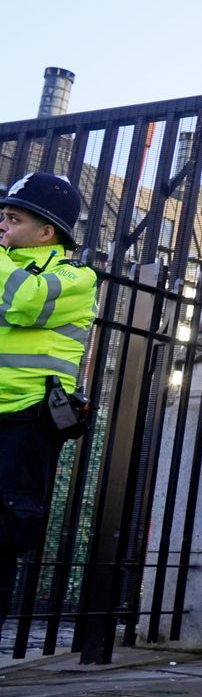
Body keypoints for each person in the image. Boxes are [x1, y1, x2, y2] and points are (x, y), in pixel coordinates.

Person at [0, 173, 96, 628]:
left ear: (46, 232)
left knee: (4, 533)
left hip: (24, 421)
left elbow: (28, 301)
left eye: (13, 218)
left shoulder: (74, 276)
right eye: (3, 216)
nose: (3, 225)